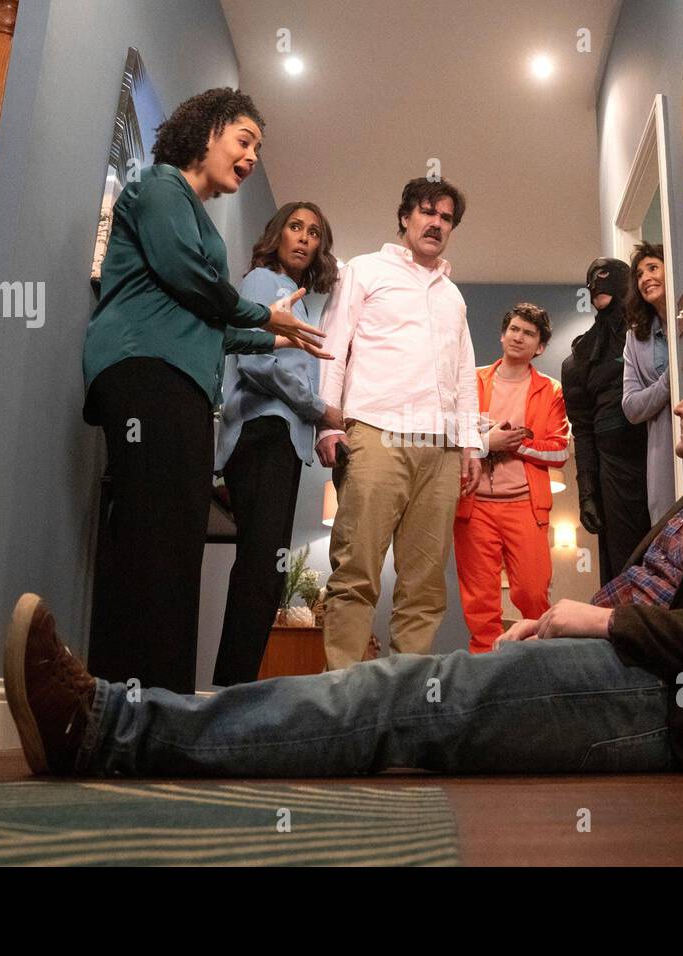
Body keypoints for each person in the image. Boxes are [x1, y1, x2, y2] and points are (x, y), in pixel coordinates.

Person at [4, 332, 683, 777]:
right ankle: (123, 721)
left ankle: (113, 726)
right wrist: (579, 628)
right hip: (618, 665)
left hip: (674, 706)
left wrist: (597, 622)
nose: (680, 408)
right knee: (415, 694)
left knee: (406, 691)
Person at [81, 88, 328, 695]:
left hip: (181, 381)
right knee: (154, 535)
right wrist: (266, 318)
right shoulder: (162, 187)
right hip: (145, 370)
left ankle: (153, 699)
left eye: (256, 150)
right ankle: (137, 699)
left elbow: (212, 322)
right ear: (208, 131)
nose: (249, 159)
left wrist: (276, 340)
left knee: (168, 536)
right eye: (243, 141)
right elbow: (186, 276)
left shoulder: (196, 211)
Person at [312, 177, 483, 670]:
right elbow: (333, 344)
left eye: (446, 217)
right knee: (356, 572)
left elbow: (464, 374)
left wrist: (470, 444)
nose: (436, 223)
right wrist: (328, 424)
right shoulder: (364, 270)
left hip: (442, 449)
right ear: (405, 217)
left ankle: (407, 700)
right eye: (427, 212)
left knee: (425, 586)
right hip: (375, 433)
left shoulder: (452, 296)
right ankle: (340, 693)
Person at [211, 203, 343, 686]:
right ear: (276, 234)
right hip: (261, 433)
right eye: (295, 227)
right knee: (260, 569)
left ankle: (234, 687)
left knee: (263, 569)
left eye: (314, 232)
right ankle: (230, 691)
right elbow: (255, 361)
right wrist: (320, 410)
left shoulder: (301, 298)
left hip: (279, 438)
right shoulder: (264, 281)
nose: (304, 238)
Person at [454, 304, 570, 654]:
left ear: (540, 347)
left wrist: (513, 443)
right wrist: (487, 442)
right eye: (515, 330)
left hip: (525, 505)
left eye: (529, 334)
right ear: (503, 335)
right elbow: (455, 431)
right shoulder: (472, 380)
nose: (519, 337)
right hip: (474, 506)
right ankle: (486, 676)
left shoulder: (551, 390)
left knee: (533, 593)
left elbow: (559, 450)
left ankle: (538, 667)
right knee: (479, 602)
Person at [561, 257, 651, 584]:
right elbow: (582, 431)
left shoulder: (652, 334)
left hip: (656, 447)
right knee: (625, 561)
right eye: (592, 282)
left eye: (606, 279)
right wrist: (587, 492)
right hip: (612, 465)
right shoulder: (579, 358)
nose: (598, 287)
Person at [622, 243, 676, 527]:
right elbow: (631, 407)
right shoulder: (635, 338)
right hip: (662, 447)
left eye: (653, 268)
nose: (645, 278)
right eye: (639, 275)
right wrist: (671, 379)